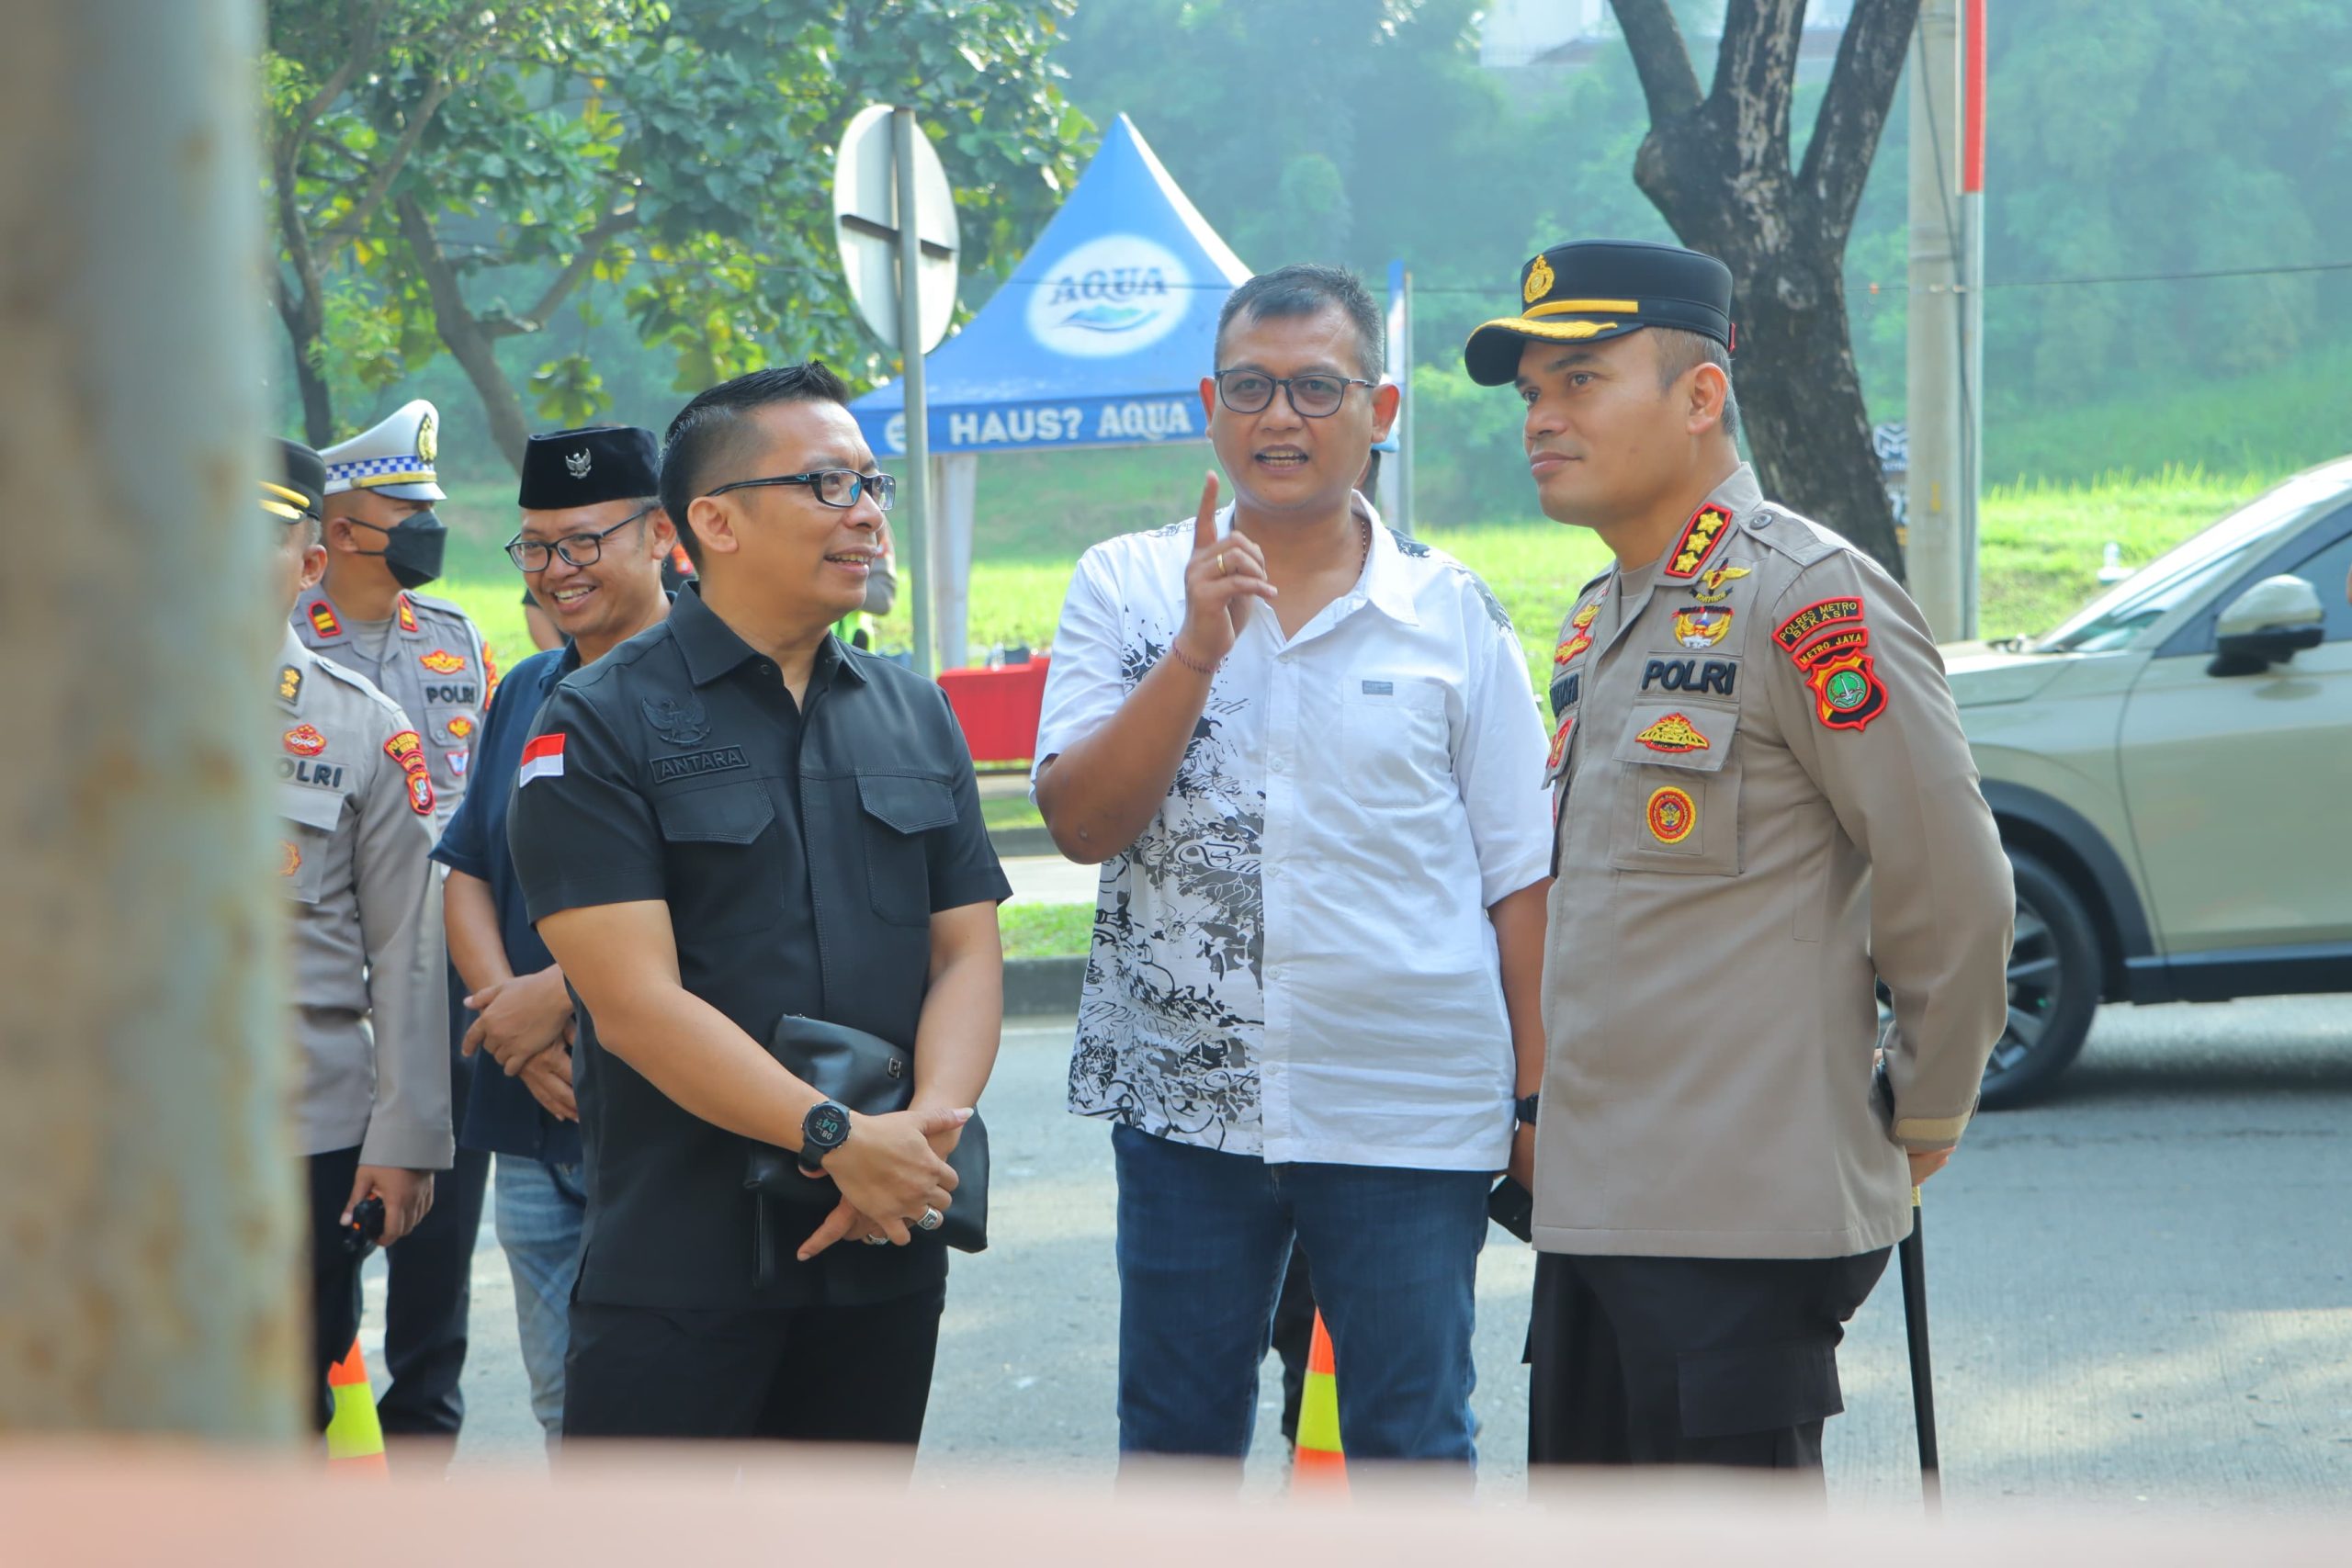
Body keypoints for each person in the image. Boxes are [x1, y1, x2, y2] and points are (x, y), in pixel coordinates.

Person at [1461, 239, 2014, 1479]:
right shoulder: (1603, 617)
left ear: (1699, 395)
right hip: (1600, 1212)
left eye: (1582, 381)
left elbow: (1953, 878)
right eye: (1532, 393)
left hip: (1739, 1223)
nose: (1543, 418)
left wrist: (1924, 1108)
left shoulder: (1806, 596)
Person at [1033, 265, 1554, 1472]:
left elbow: (1519, 875)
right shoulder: (1123, 584)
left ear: (1380, 410)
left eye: (1317, 388)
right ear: (1211, 403)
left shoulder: (1455, 611)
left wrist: (1534, 1096)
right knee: (1174, 1444)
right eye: (1256, 388)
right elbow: (1077, 822)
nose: (1282, 417)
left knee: (1411, 1438)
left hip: (1407, 1107)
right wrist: (1195, 652)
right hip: (1186, 1109)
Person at [507, 363, 1010, 1450]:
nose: (867, 513)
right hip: (682, 1264)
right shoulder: (595, 722)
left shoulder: (913, 712)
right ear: (714, 522)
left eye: (871, 484)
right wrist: (835, 1136)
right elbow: (634, 1004)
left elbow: (966, 954)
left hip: (883, 1238)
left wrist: (920, 1136)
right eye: (828, 485)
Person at [432, 424, 675, 1445]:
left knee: (671, 1409)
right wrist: (508, 1017)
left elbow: (727, 897)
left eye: (584, 542)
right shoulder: (525, 689)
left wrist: (562, 997)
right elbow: (466, 870)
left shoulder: (712, 681)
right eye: (535, 547)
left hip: (667, 1119)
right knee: (564, 1406)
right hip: (535, 1118)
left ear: (660, 534)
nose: (558, 571)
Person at [304, 398, 492, 1461]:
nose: (427, 525)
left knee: (438, 1293)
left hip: (445, 1010)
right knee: (316, 1295)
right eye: (402, 508)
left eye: (431, 505)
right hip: (330, 1024)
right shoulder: (277, 644)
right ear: (334, 528)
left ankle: (420, 1479)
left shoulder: (456, 641)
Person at [262, 437, 453, 1431]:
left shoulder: (364, 729)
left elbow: (411, 953)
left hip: (305, 1129)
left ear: (307, 563)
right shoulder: (75, 714)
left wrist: (407, 1137)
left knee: (290, 1401)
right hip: (118, 1127)